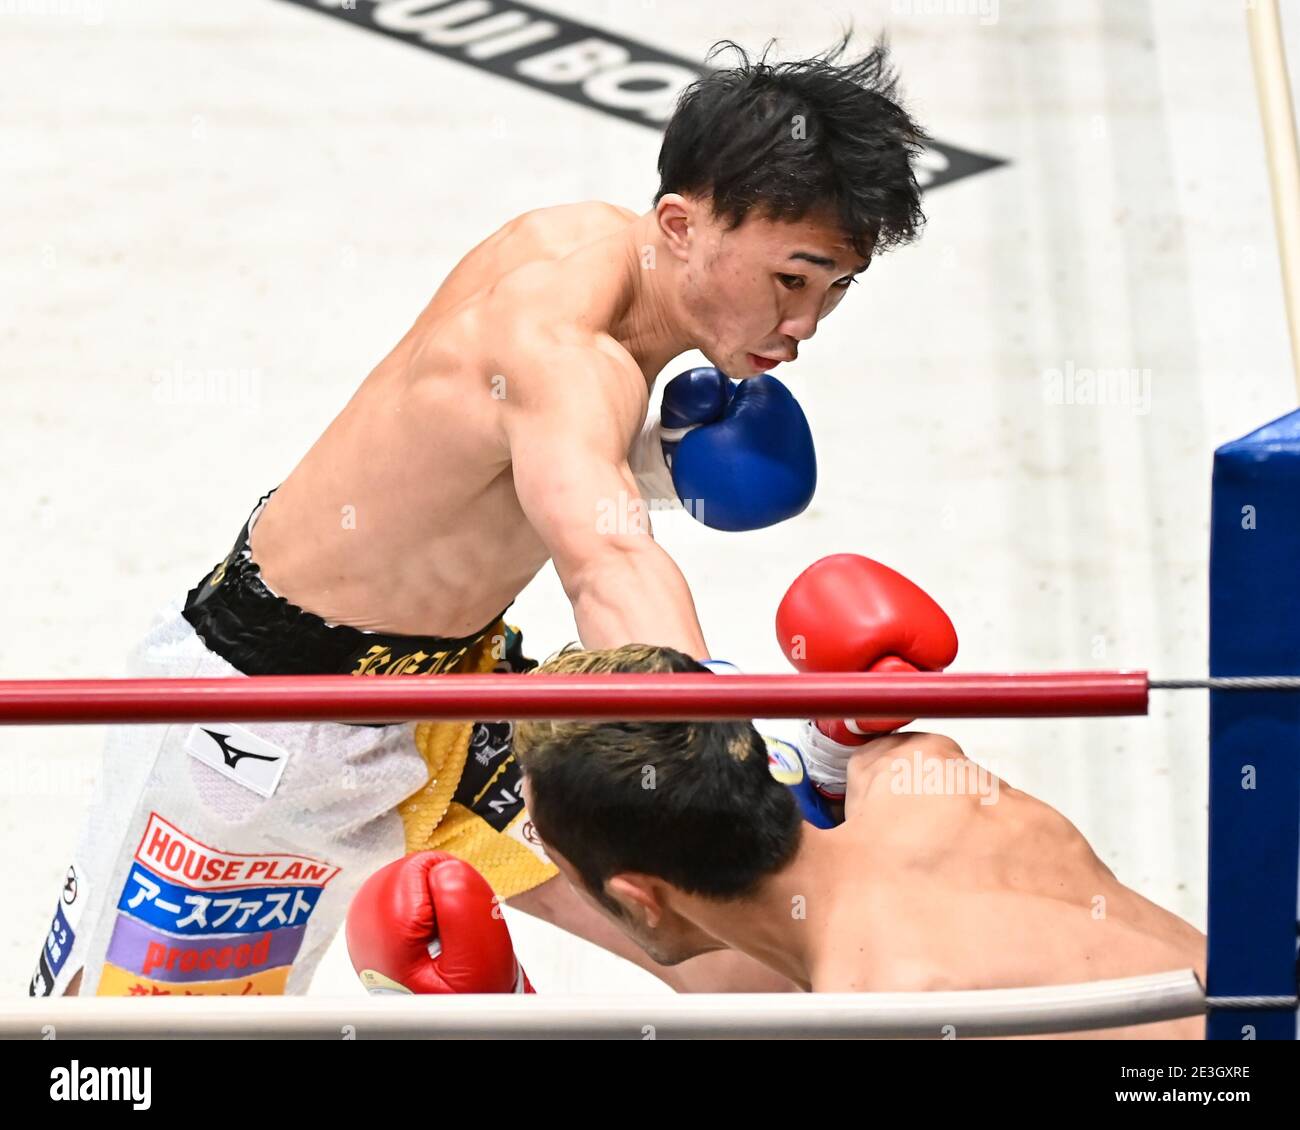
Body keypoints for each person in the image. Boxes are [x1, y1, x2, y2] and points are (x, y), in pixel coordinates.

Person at [31, 37, 929, 999]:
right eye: (790, 279)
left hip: (458, 696)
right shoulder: (557, 344)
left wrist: (655, 457)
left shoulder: (587, 251)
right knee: (123, 1052)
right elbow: (608, 562)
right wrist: (715, 737)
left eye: (835, 287)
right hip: (270, 726)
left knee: (748, 961)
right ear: (680, 222)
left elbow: (504, 459)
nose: (807, 323)